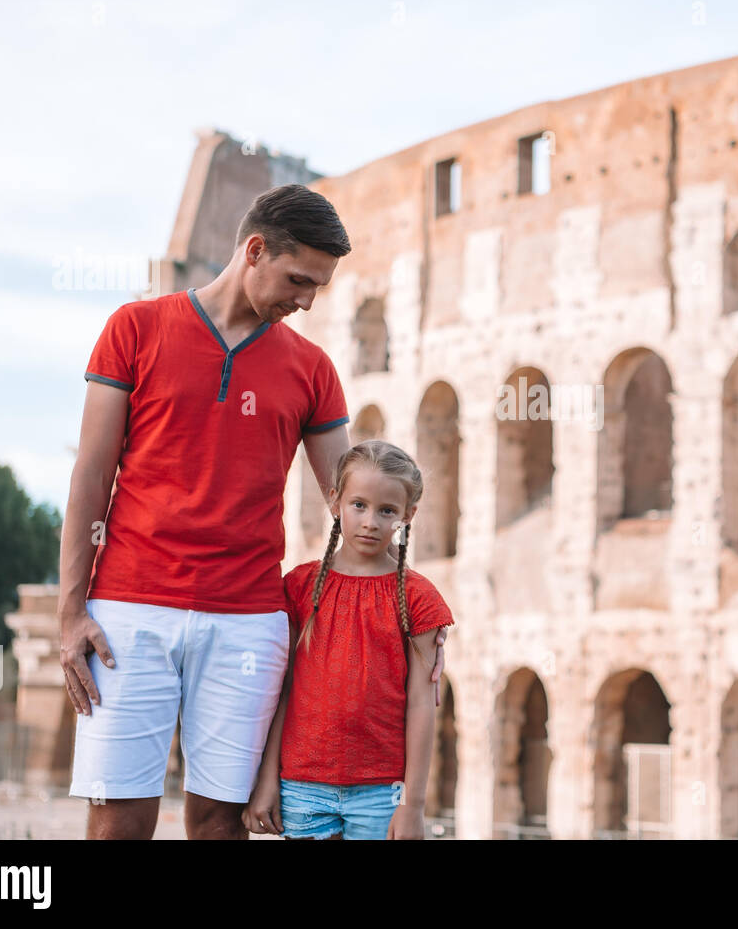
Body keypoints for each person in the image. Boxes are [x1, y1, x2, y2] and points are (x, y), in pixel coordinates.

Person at [58, 185, 447, 839]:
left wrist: (403, 614)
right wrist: (71, 610)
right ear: (254, 250)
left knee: (219, 820)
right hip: (130, 608)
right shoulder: (136, 328)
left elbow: (351, 503)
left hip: (247, 617)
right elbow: (91, 473)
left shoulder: (312, 368)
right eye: (299, 280)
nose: (307, 300)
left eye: (318, 287)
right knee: (119, 817)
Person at [242, 440, 453, 840]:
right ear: (335, 502)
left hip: (382, 793)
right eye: (359, 505)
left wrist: (413, 805)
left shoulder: (417, 597)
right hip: (303, 787)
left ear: (408, 515)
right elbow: (282, 691)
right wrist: (267, 779)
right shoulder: (300, 587)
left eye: (387, 510)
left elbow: (422, 703)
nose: (371, 521)